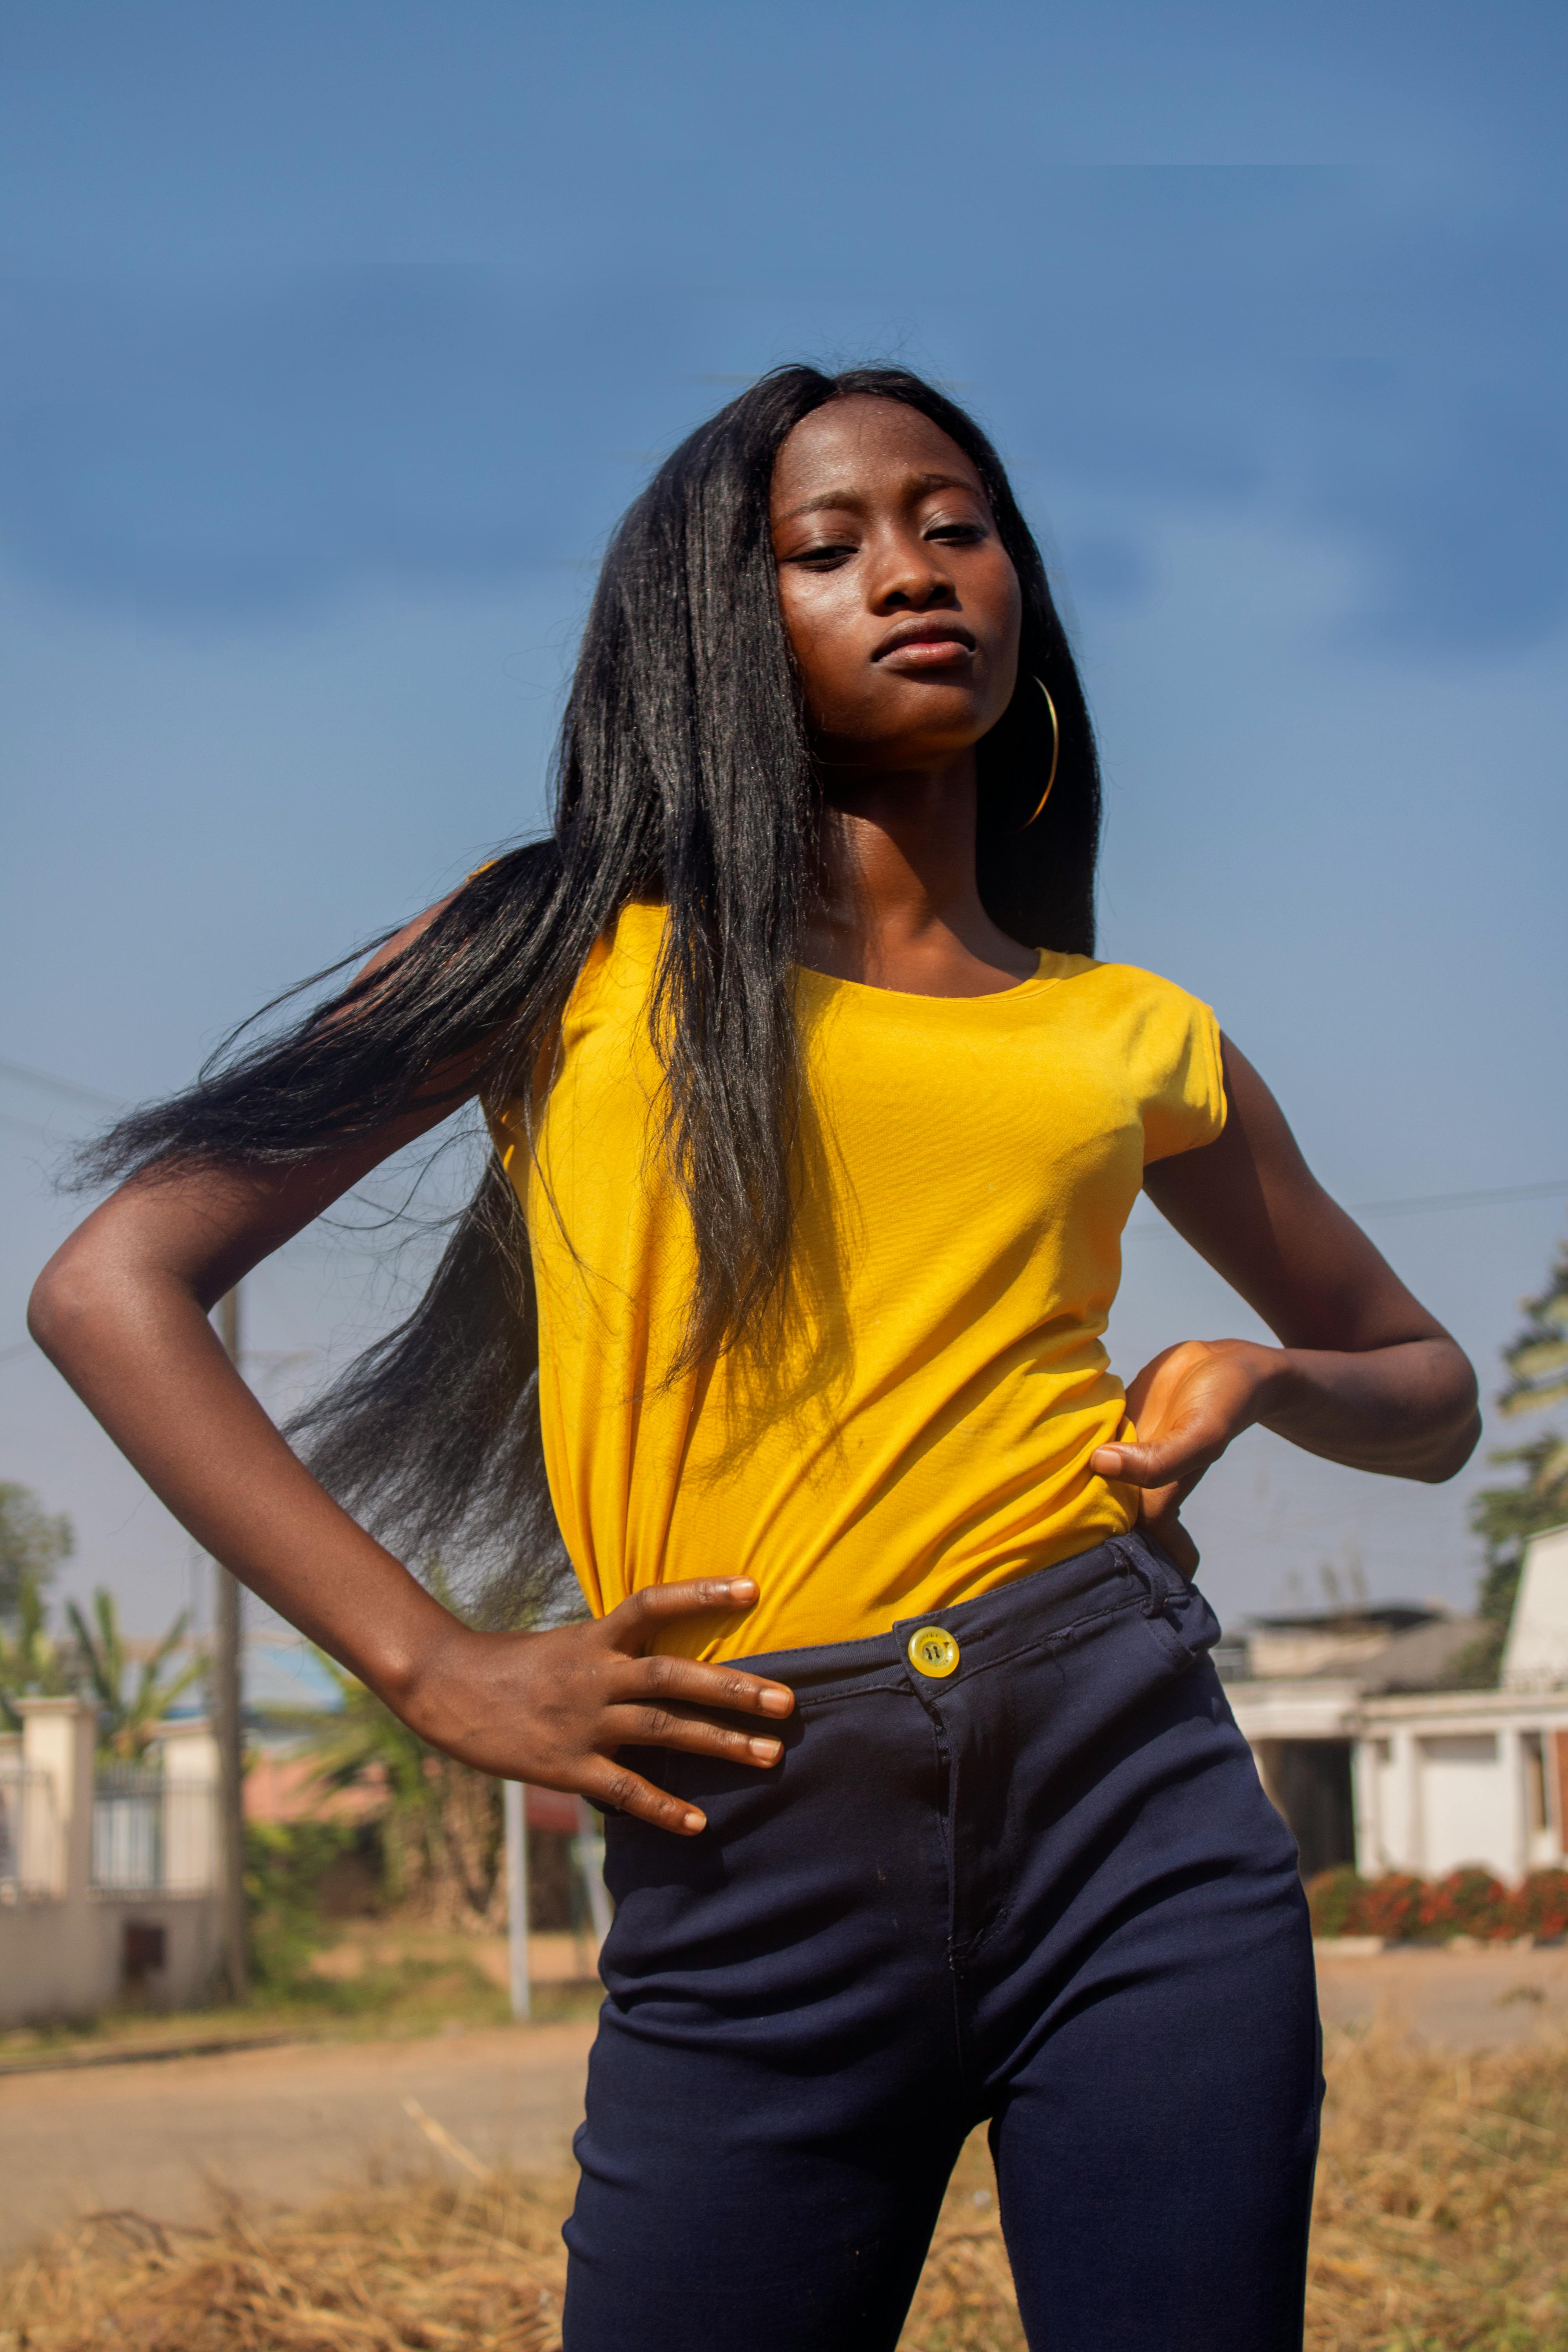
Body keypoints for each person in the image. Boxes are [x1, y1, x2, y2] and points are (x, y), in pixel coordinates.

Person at [30, 366, 1479, 2351]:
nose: (911, 571)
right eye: (829, 546)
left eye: (954, 524)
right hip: (748, 1826)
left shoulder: (1134, 1033)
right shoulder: (564, 948)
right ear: (726, 626)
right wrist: (434, 1663)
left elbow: (1425, 1383)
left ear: (1023, 596)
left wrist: (1265, 1376)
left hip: (1126, 1794)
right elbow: (114, 1286)